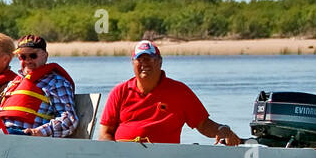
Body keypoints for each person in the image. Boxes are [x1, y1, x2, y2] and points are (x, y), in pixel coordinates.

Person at [96, 40, 243, 145]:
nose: (144, 64)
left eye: (149, 59)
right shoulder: (120, 91)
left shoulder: (179, 91)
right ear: (132, 63)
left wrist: (222, 130)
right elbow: (105, 133)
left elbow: (203, 124)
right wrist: (113, 153)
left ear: (160, 62)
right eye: (140, 59)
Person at [0, 34, 78, 136]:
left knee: (9, 133)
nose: (27, 60)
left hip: (24, 136)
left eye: (33, 56)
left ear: (45, 56)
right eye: (23, 57)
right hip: (0, 133)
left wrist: (39, 131)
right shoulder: (14, 83)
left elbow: (69, 120)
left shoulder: (56, 82)